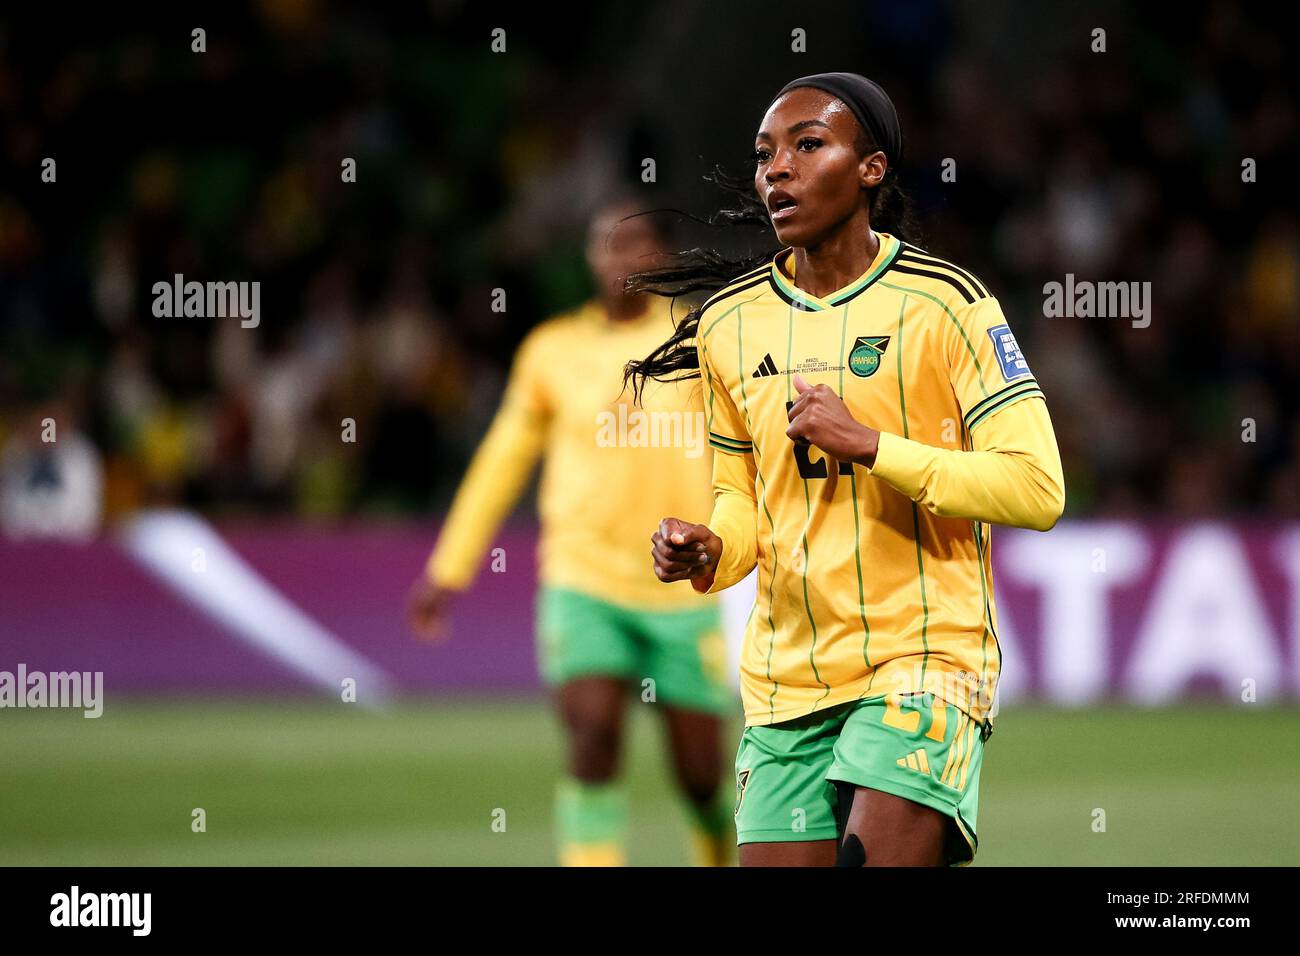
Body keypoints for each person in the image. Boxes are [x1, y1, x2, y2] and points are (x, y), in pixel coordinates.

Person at [626, 73, 1065, 866]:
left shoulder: (947, 304)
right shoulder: (727, 325)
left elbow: (1036, 488)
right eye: (765, 154)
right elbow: (741, 503)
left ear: (871, 169)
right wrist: (712, 549)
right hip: (785, 681)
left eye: (807, 145)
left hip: (923, 662)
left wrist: (871, 445)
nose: (777, 169)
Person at [407, 197, 736, 866]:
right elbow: (502, 460)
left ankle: (716, 850)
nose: (618, 258)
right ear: (587, 256)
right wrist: (450, 568)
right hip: (584, 580)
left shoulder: (703, 341)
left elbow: (746, 451)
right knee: (592, 734)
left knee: (701, 777)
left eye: (634, 243)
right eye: (605, 244)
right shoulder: (551, 351)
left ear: (662, 255)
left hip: (684, 586)